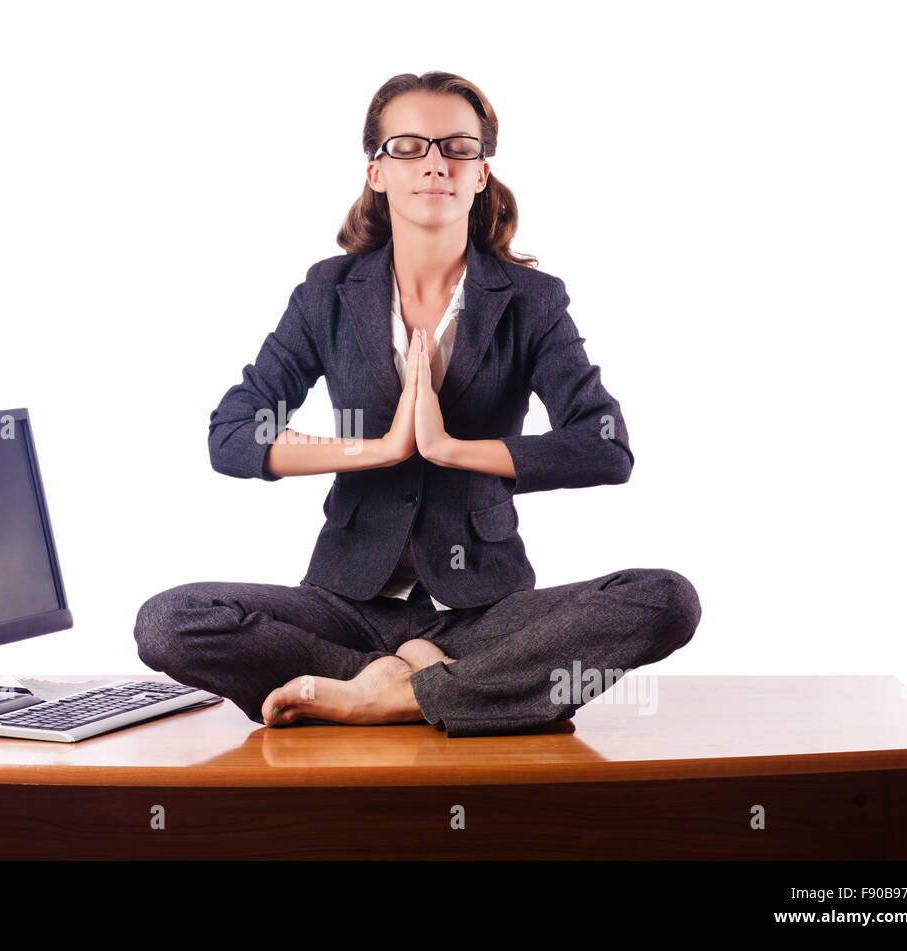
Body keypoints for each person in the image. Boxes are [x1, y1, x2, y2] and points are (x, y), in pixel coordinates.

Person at [134, 71, 701, 737]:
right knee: (169, 621)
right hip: (347, 603)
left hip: (483, 612)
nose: (435, 162)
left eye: (457, 147)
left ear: (481, 173)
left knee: (664, 599)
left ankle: (391, 694)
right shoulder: (329, 291)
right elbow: (231, 434)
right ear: (377, 172)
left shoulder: (531, 300)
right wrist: (379, 448)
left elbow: (603, 443)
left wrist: (451, 449)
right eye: (408, 146)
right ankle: (435, 683)